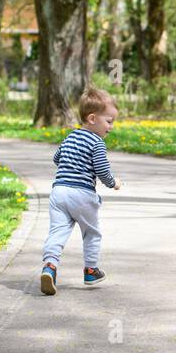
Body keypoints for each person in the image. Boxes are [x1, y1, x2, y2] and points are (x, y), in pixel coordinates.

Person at [40, 88, 121, 295]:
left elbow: (56, 158)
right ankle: (91, 270)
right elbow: (102, 171)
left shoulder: (71, 136)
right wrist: (113, 183)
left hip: (58, 193)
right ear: (92, 118)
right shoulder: (97, 143)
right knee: (91, 233)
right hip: (82, 195)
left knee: (57, 232)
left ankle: (49, 266)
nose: (111, 127)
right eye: (109, 121)